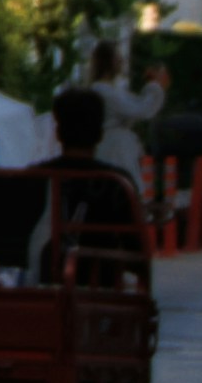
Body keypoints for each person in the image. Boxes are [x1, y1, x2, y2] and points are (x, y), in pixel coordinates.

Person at [41, 79, 155, 285]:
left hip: (43, 281)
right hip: (101, 284)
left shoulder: (36, 177)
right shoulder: (117, 183)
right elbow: (137, 252)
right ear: (100, 133)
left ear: (58, 132)